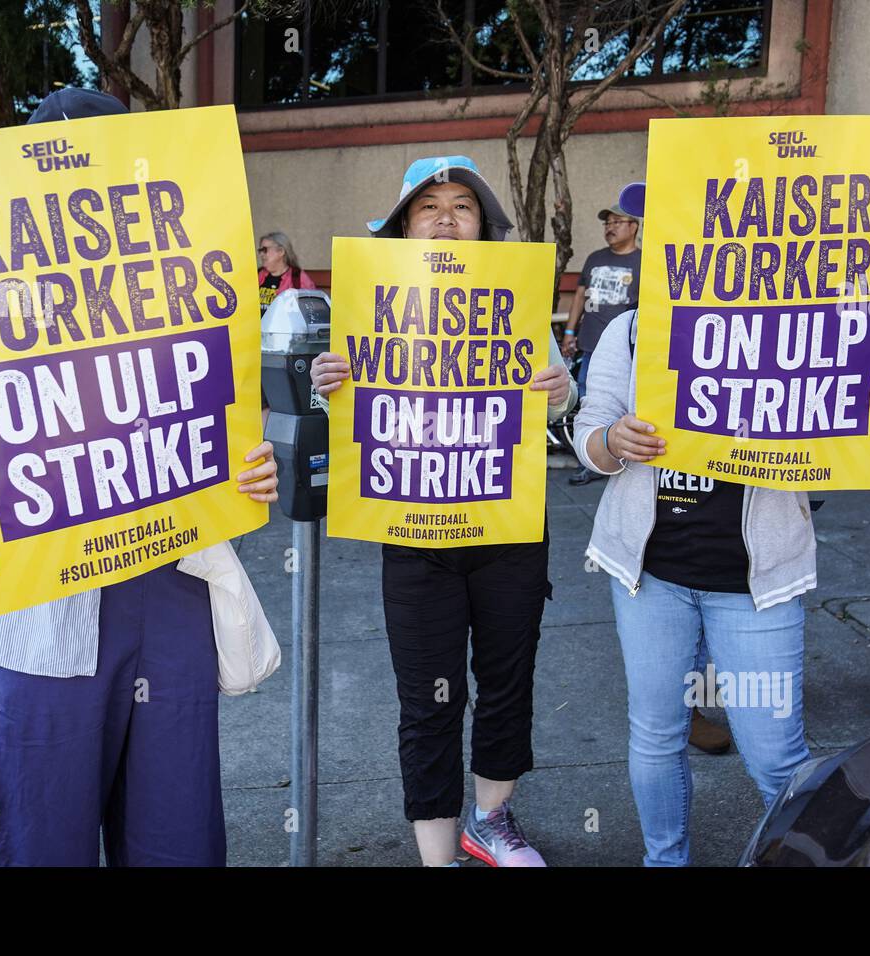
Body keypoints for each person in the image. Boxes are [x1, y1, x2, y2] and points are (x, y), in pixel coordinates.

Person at [0, 86, 280, 866]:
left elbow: (227, 435)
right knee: (40, 841)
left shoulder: (182, 282)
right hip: (40, 613)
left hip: (172, 592)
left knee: (176, 838)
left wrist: (250, 472)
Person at [573, 182, 870, 866]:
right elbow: (586, 435)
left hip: (757, 582)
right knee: (656, 735)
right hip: (650, 578)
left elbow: (842, 445)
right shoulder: (631, 329)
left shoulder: (807, 330)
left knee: (775, 752)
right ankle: (665, 861)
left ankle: (818, 859)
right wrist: (613, 440)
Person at [310, 155, 575, 867]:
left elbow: (565, 397)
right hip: (413, 533)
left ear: (483, 226)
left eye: (464, 205)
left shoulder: (516, 298)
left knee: (506, 679)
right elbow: (334, 409)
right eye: (430, 206)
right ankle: (437, 854)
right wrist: (322, 381)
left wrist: (560, 390)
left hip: (507, 528)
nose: (448, 217)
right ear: (404, 227)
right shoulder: (365, 302)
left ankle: (492, 822)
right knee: (428, 699)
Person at [564, 201, 642, 486]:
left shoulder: (644, 261)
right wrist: (570, 333)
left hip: (625, 351)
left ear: (633, 226)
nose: (610, 228)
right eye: (606, 223)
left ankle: (624, 455)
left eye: (616, 222)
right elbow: (579, 297)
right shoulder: (594, 258)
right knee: (590, 403)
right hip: (590, 343)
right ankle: (592, 461)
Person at [257, 231, 316, 313]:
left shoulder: (298, 278)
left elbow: (311, 308)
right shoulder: (257, 275)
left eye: (265, 250)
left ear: (281, 251)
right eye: (260, 250)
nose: (261, 254)